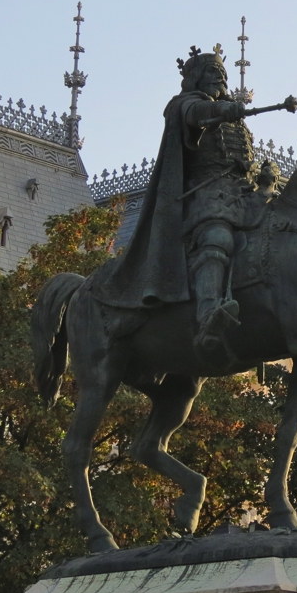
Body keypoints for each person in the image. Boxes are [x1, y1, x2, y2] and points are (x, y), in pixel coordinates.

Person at [89, 45, 256, 360]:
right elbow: (195, 114)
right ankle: (208, 314)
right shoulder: (183, 105)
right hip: (205, 194)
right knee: (217, 237)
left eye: (222, 73)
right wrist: (220, 111)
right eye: (212, 72)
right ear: (195, 78)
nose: (219, 78)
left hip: (243, 192)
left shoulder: (234, 118)